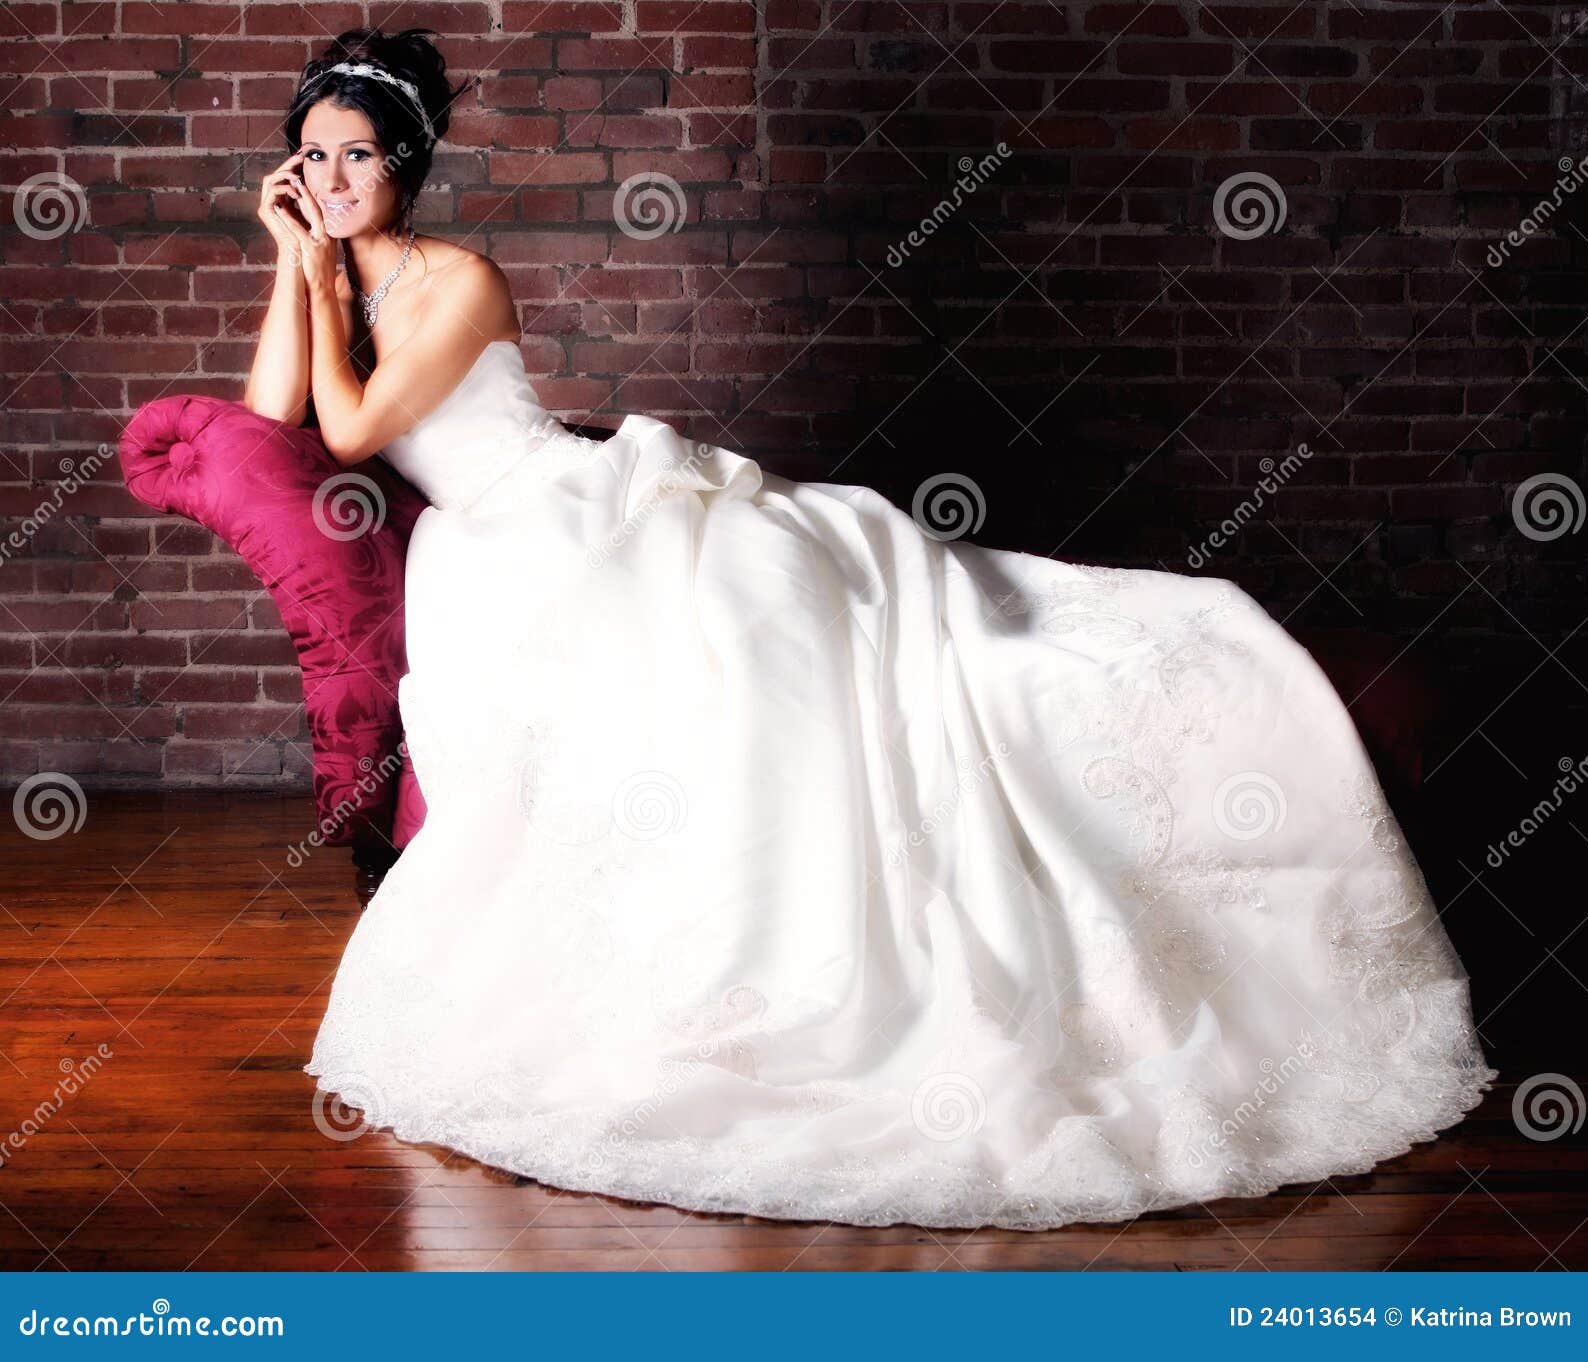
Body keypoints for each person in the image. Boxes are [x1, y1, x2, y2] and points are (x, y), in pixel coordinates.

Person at [254, 27, 1496, 1231]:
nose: (332, 179)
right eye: (311, 158)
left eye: (357, 154)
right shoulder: (328, 277)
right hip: (482, 557)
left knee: (772, 645)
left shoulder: (457, 279)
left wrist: (318, 281)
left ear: (404, 166)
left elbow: (354, 432)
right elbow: (273, 412)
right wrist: (284, 264)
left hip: (569, 512)